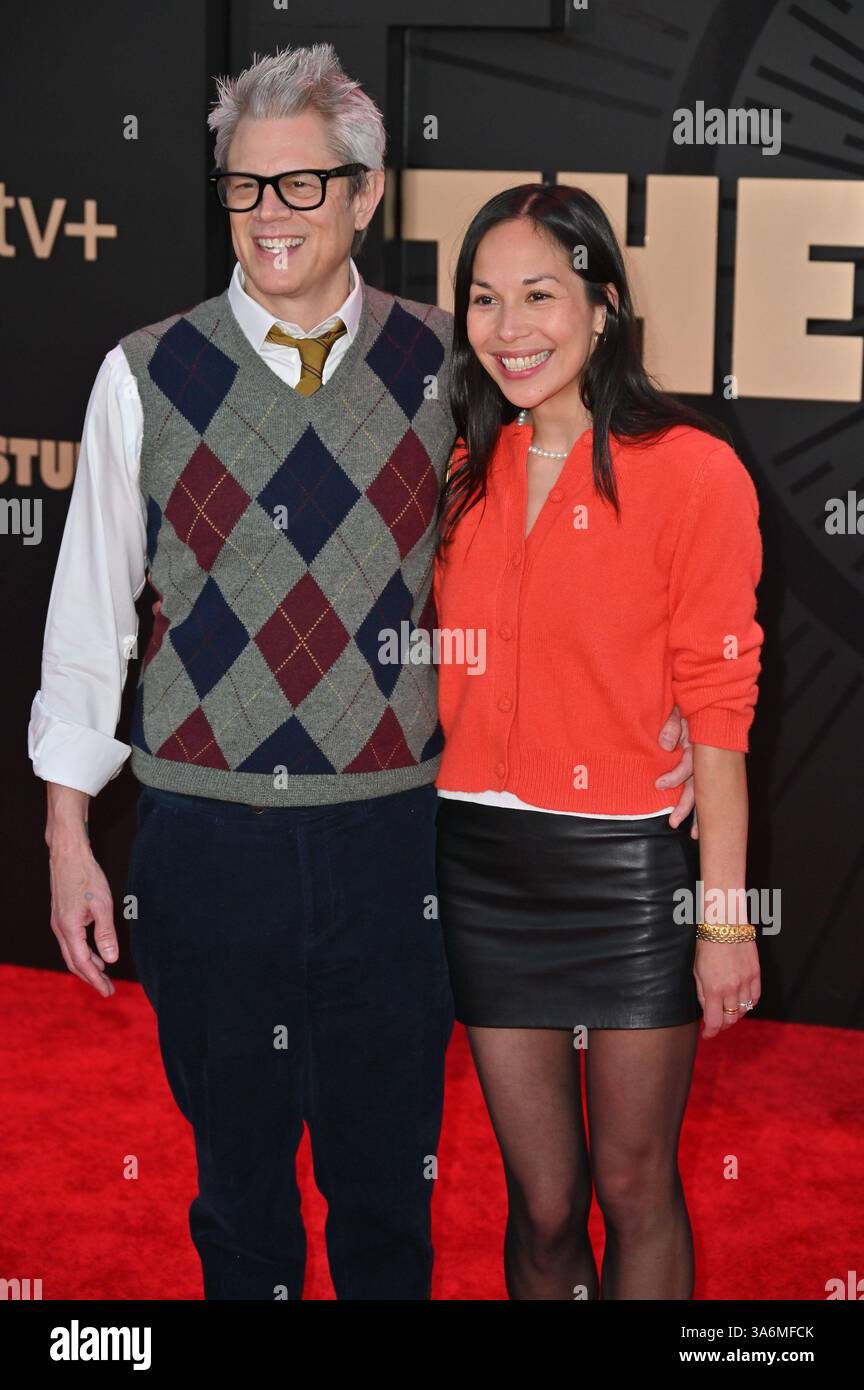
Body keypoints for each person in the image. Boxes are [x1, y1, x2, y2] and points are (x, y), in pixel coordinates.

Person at [28, 46, 697, 1300]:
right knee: (238, 1196)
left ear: (367, 193)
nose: (270, 217)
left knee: (389, 1190)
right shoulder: (146, 371)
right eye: (244, 188)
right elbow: (87, 617)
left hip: (393, 846)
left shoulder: (453, 367)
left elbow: (576, 531)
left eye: (302, 186)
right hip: (204, 839)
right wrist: (69, 832)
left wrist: (659, 713)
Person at [432, 183, 764, 1300]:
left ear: (605, 305)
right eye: (484, 299)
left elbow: (718, 705)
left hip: (628, 874)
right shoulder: (458, 471)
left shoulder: (695, 471)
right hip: (482, 863)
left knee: (634, 1185)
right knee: (542, 1200)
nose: (509, 327)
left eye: (540, 294)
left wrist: (724, 919)